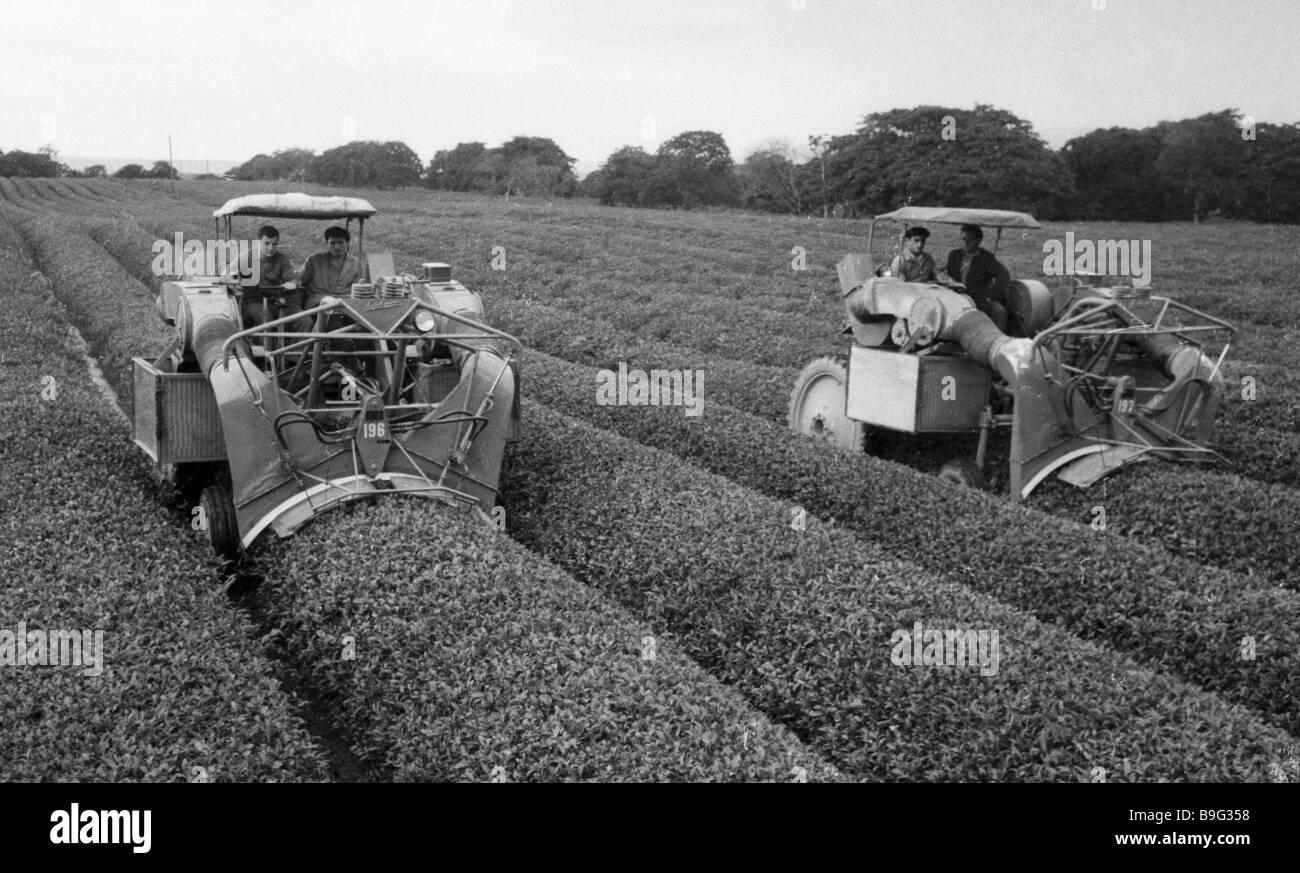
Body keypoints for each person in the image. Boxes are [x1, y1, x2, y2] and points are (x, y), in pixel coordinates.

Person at [943, 224, 1011, 331]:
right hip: (955, 296)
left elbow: (1004, 276)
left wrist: (992, 296)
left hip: (979, 299)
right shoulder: (954, 255)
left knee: (1000, 312)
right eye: (964, 239)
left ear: (979, 241)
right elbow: (946, 274)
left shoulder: (986, 258)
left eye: (971, 240)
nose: (966, 243)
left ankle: (998, 341)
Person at [231, 225, 298, 329]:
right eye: (267, 243)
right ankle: (263, 344)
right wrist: (234, 281)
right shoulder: (246, 257)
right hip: (253, 301)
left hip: (276, 300)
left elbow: (292, 278)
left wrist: (291, 283)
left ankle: (298, 345)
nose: (270, 248)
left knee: (304, 320)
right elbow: (227, 273)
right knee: (266, 318)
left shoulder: (282, 259)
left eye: (274, 244)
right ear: (258, 242)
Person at [299, 225, 367, 310]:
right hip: (318, 302)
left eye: (341, 242)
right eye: (333, 243)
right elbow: (301, 281)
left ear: (347, 243)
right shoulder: (314, 261)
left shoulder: (356, 263)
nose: (337, 247)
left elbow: (359, 288)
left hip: (345, 302)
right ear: (327, 243)